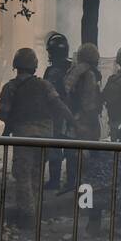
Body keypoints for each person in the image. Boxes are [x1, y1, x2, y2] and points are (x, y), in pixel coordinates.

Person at [0, 47, 74, 231]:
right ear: (34, 66)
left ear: (16, 66)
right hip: (44, 136)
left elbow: (3, 114)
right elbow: (58, 105)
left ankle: (27, 214)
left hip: (23, 135)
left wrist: (12, 120)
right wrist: (71, 120)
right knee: (36, 173)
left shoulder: (10, 87)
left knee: (22, 175)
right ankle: (34, 211)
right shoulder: (44, 85)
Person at [41, 32, 73, 190]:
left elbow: (46, 91)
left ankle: (55, 181)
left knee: (55, 146)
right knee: (69, 145)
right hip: (70, 111)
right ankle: (71, 180)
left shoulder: (52, 71)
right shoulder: (73, 68)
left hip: (56, 112)